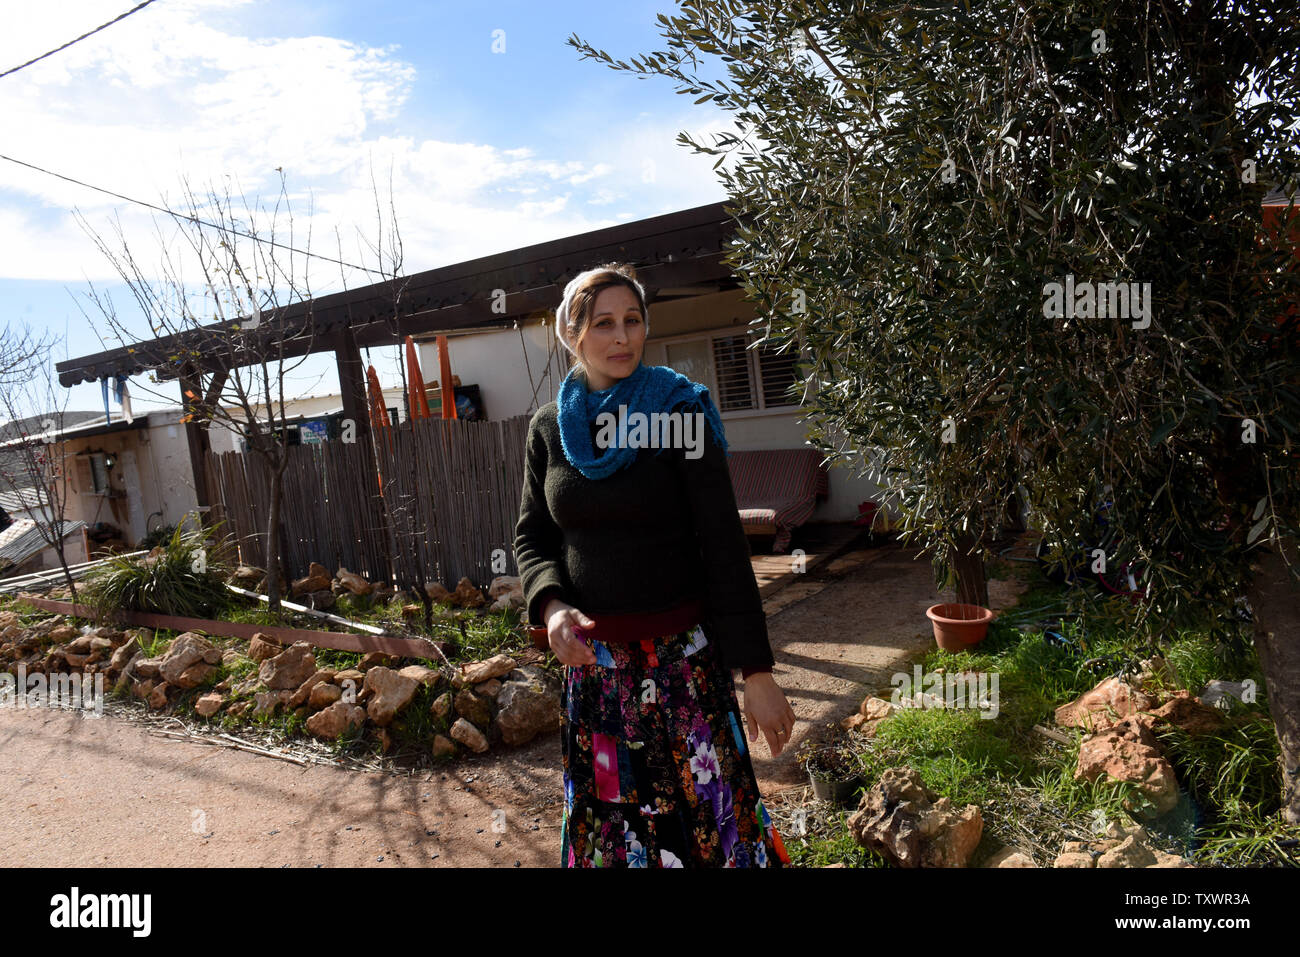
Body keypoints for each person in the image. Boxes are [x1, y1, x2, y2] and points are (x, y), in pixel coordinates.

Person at [514, 261, 796, 868]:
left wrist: (758, 673)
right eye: (604, 324)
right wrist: (554, 605)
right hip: (599, 679)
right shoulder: (548, 429)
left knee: (708, 822)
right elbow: (533, 537)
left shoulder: (680, 411)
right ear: (572, 334)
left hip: (684, 672)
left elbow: (723, 547)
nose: (622, 338)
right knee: (616, 825)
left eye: (633, 321)